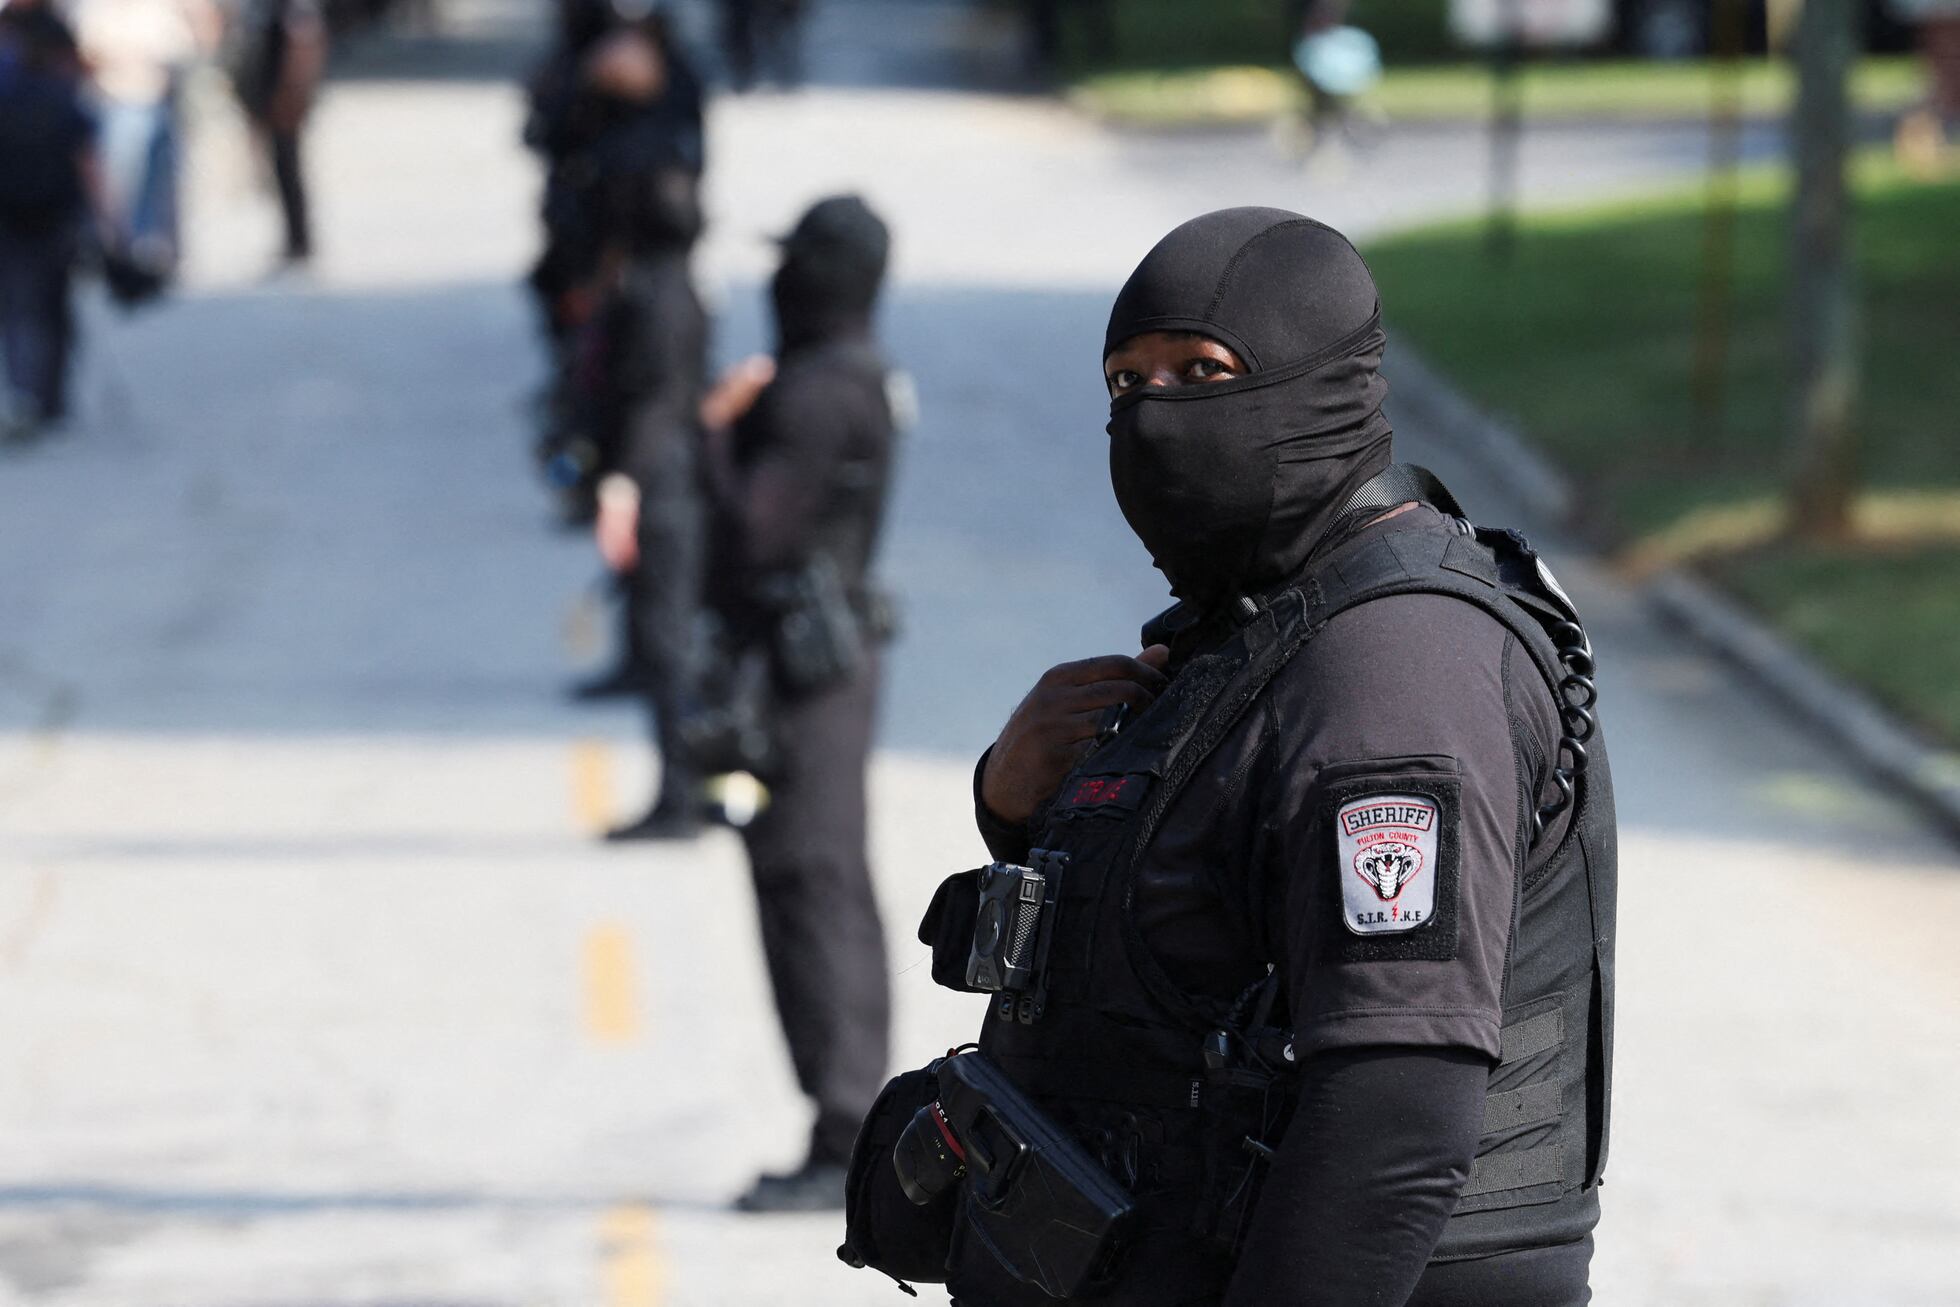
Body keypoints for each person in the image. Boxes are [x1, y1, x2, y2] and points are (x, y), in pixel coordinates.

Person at [862, 209, 1616, 1305]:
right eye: (1127, 385)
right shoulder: (1255, 628)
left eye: (1202, 372)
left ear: (1324, 384)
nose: (1158, 415)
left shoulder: (1397, 667)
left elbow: (1393, 1121)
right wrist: (1016, 805)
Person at [701, 194, 899, 1212]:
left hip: (806, 662)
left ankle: (848, 1132)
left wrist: (716, 438)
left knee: (812, 884)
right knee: (817, 880)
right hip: (829, 653)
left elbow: (753, 535)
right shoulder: (856, 376)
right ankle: (845, 1121)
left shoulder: (815, 394)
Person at [576, 26, 715, 840]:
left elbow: (658, 397)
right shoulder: (667, 285)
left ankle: (679, 794)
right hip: (662, 472)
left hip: (662, 481)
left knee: (669, 643)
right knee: (659, 635)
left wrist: (622, 482)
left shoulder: (658, 296)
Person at [0, 0, 100, 437]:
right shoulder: (63, 99)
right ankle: (46, 399)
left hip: (17, 214)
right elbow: (88, 164)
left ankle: (31, 396)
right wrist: (106, 223)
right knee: (49, 307)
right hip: (53, 215)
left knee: (23, 308)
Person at [225, 0, 326, 266]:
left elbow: (304, 46)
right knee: (280, 171)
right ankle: (294, 239)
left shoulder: (292, 9)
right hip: (270, 97)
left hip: (286, 99)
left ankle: (299, 239)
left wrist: (294, 92)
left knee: (288, 170)